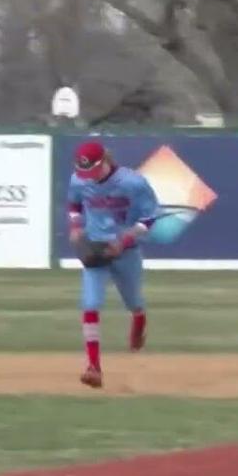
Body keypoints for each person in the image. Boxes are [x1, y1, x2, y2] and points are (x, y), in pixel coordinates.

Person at [65, 140, 162, 388]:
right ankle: (93, 367)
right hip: (96, 249)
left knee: (133, 301)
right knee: (90, 304)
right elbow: (74, 204)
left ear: (105, 162)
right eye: (83, 172)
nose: (88, 177)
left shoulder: (133, 183)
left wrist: (127, 237)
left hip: (126, 251)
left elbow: (150, 217)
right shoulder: (79, 180)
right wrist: (76, 226)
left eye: (92, 170)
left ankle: (139, 317)